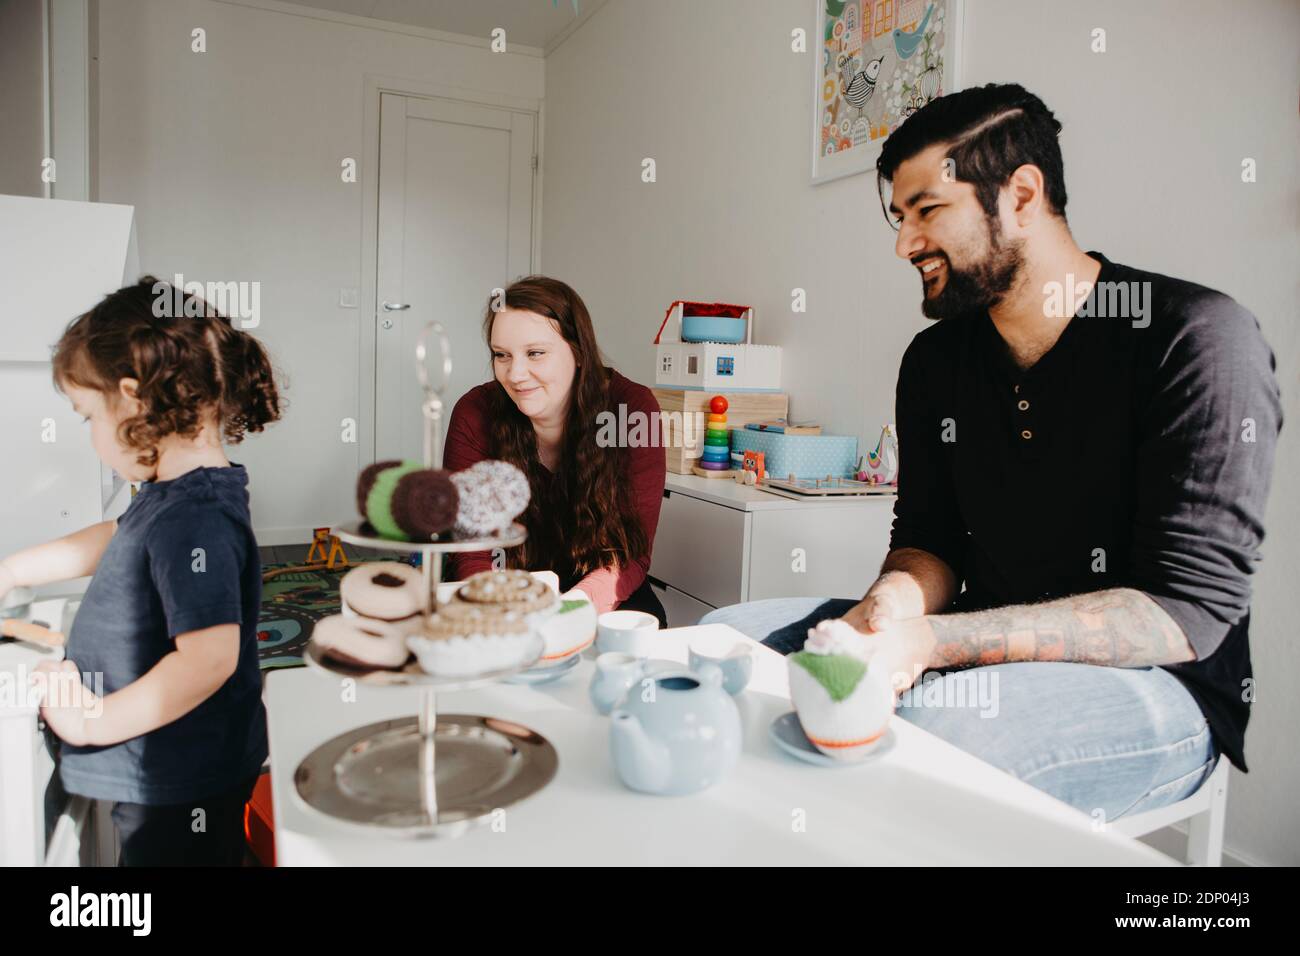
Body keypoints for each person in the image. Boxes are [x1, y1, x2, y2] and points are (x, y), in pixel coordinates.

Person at [701, 84, 1281, 821]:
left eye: (927, 211)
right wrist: (881, 616)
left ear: (1022, 194)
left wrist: (928, 645)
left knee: (924, 740)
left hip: (1164, 679)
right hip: (975, 638)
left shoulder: (1196, 338)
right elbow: (927, 542)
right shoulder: (936, 362)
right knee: (725, 647)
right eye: (899, 217)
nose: (904, 244)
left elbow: (1182, 613)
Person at [0, 277, 282, 864]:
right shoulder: (174, 492)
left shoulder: (195, 517)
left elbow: (209, 659)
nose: (91, 437)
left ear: (131, 401)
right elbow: (118, 535)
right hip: (175, 769)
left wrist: (93, 722)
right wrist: (14, 569)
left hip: (178, 780)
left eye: (87, 417)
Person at [445, 275, 667, 624]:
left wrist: (567, 611)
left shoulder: (633, 410)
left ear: (578, 351)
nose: (515, 374)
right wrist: (496, 610)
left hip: (601, 582)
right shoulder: (474, 414)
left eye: (535, 353)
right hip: (501, 584)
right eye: (502, 355)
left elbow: (630, 555)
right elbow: (472, 548)